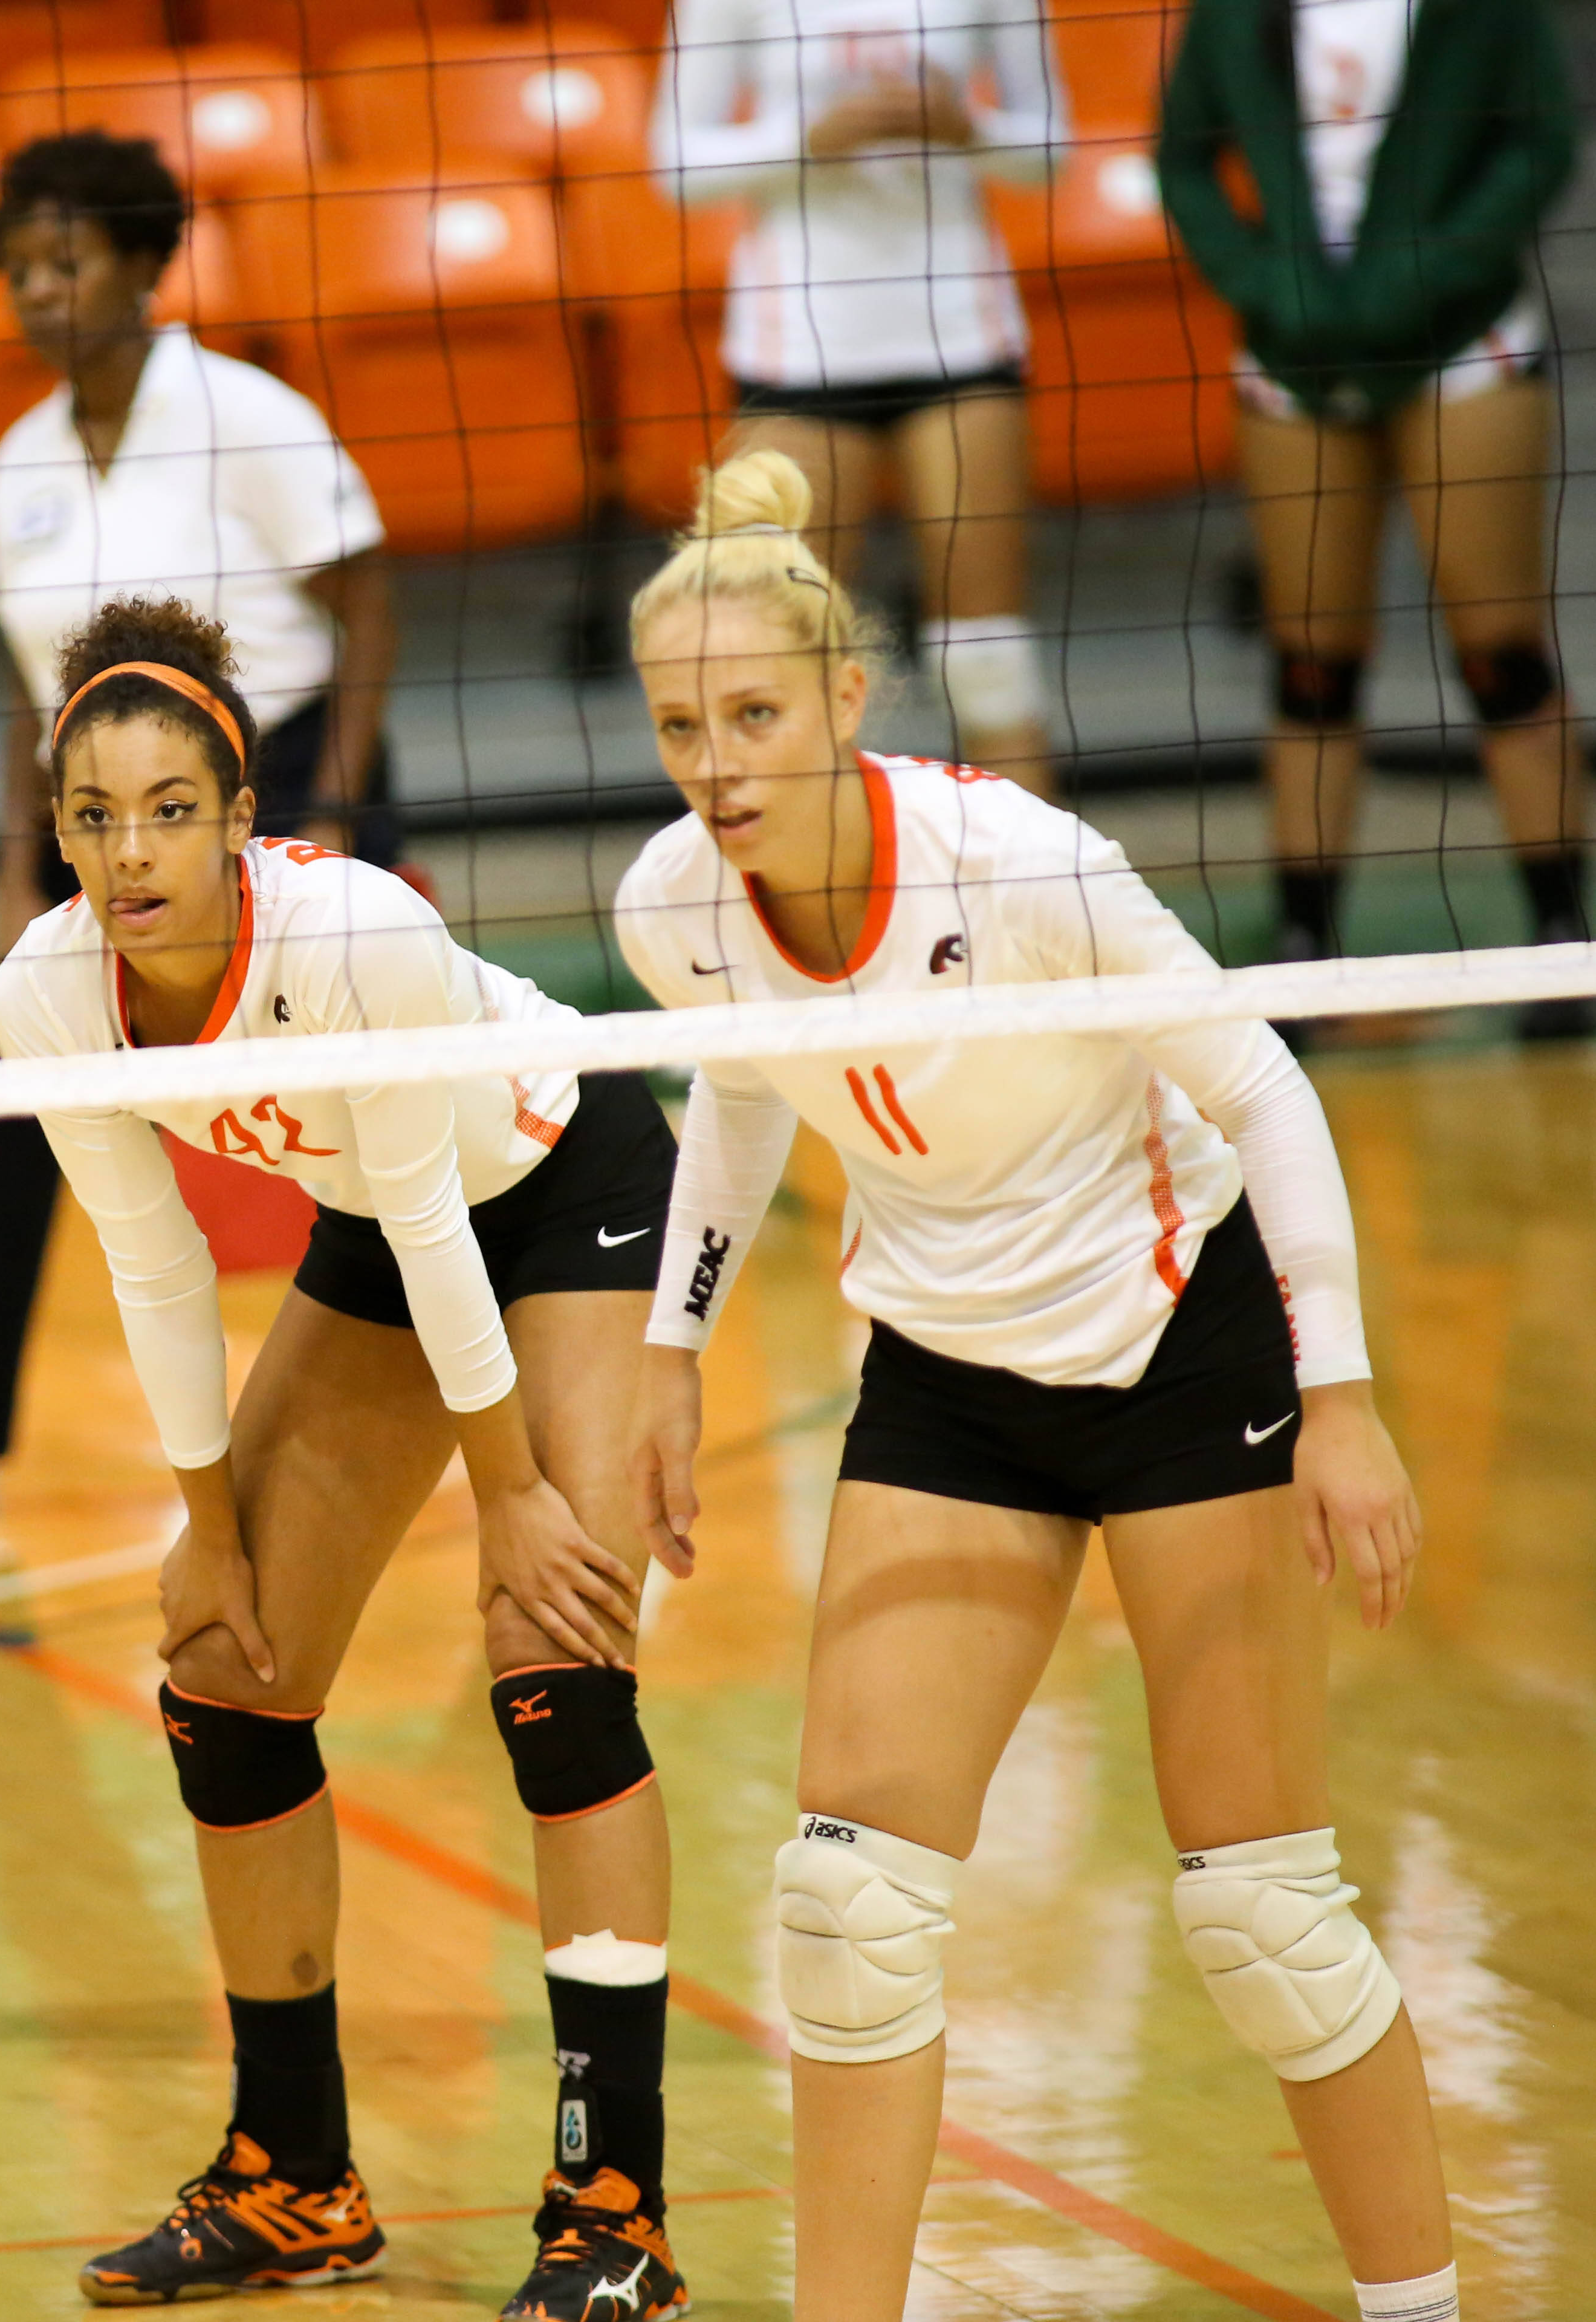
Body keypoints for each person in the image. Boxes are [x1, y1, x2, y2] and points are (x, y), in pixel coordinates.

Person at [615, 447, 1456, 2322]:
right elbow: (743, 1078)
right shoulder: (672, 899)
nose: (715, 763)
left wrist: (1339, 1394)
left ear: (846, 696)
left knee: (1264, 1922)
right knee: (842, 1912)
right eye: (680, 725)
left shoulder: (1018, 866)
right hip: (945, 1375)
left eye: (751, 714)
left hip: (1180, 1350)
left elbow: (1255, 1082)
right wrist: (669, 1348)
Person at [0, 595, 686, 2320]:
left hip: (565, 1188)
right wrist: (201, 1529)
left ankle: (613, 2209)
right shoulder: (46, 991)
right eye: (93, 815)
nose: (129, 852)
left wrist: (513, 1498)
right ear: (54, 823)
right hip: (390, 1231)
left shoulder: (355, 931)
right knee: (227, 1673)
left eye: (169, 809)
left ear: (243, 817)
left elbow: (448, 1229)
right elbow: (155, 1266)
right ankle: (293, 2178)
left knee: (555, 1655)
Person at [0, 130, 398, 1519]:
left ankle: (474, 1357)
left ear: (139, 260)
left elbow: (367, 599)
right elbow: (32, 694)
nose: (42, 291)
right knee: (24, 1065)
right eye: (19, 270)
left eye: (68, 260)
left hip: (282, 779)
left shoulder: (244, 414)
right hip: (108, 815)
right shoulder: (17, 466)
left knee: (379, 1098)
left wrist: (338, 810)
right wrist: (22, 861)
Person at [1159, 0, 1585, 1027]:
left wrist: (1435, 265)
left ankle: (1563, 941)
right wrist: (1266, 281)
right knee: (1310, 664)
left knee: (1502, 653)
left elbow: (1543, 137)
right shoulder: (1233, 15)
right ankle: (1306, 950)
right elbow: (1182, 163)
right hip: (1295, 357)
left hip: (1460, 342)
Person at [651, 0, 1066, 793]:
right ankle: (805, 906)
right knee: (786, 668)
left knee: (988, 659)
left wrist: (967, 129)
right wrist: (805, 142)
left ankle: (1036, 909)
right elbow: (672, 163)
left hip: (958, 336)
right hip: (799, 349)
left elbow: (1051, 144)